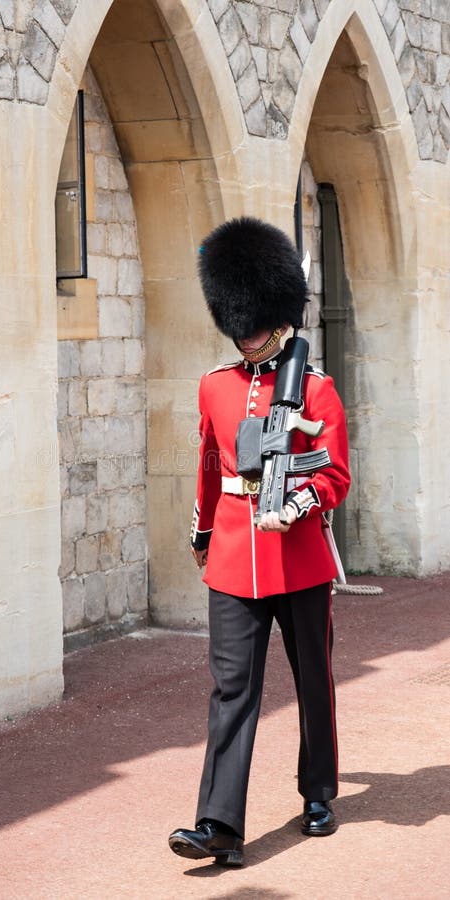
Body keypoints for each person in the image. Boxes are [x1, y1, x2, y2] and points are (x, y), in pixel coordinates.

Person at [168, 217, 351, 867]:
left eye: (255, 324)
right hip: (232, 561)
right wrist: (203, 530)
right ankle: (218, 823)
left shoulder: (317, 389)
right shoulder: (214, 385)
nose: (246, 337)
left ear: (278, 319)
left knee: (312, 680)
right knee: (230, 691)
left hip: (297, 558)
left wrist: (296, 505)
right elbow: (209, 463)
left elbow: (333, 473)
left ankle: (319, 791)